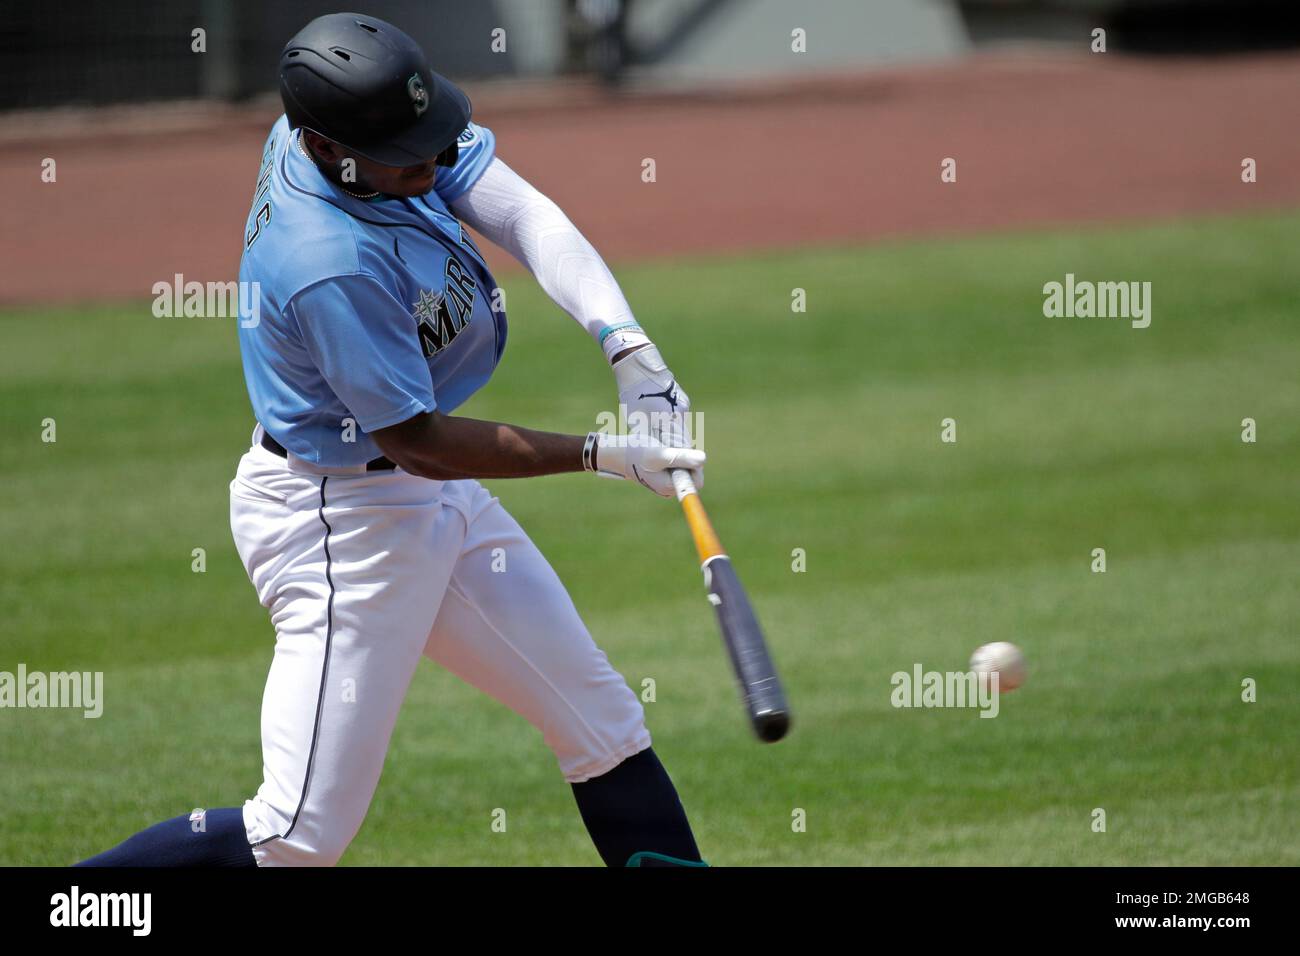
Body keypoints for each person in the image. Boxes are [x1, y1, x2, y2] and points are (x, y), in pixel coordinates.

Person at [77, 11, 706, 868]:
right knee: (295, 835)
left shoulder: (360, 144)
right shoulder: (326, 258)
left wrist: (629, 347)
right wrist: (598, 454)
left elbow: (524, 214)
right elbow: (421, 443)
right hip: (343, 522)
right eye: (411, 151)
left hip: (415, 494)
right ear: (329, 149)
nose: (436, 159)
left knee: (601, 726)